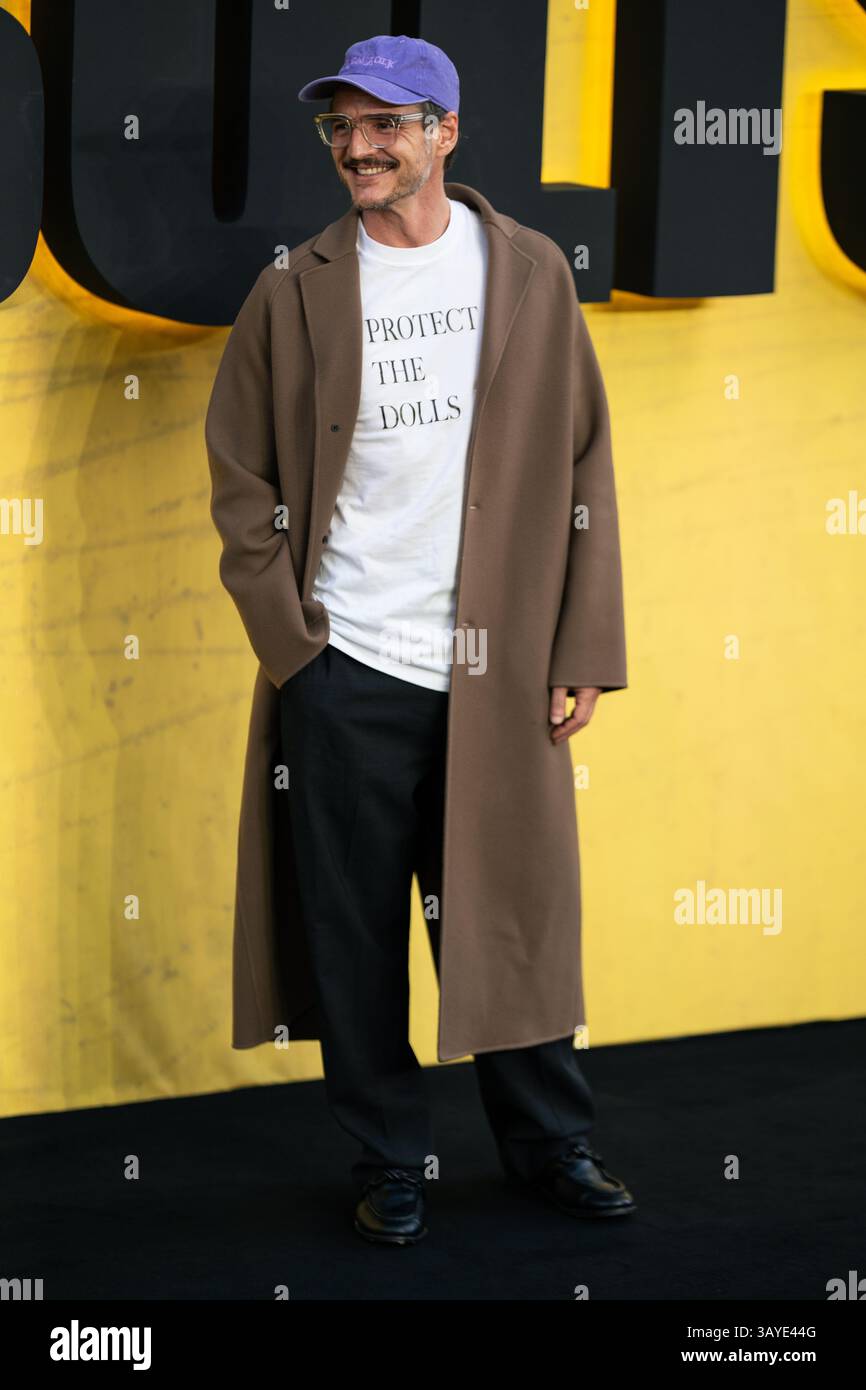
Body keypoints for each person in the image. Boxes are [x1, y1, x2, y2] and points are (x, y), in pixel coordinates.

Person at [206, 34, 635, 1246]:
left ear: (443, 132)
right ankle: (389, 1157)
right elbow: (239, 473)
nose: (358, 147)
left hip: (497, 669)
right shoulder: (293, 285)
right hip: (345, 667)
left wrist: (581, 646)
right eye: (341, 127)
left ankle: (550, 1146)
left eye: (385, 124)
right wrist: (292, 646)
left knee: (513, 914)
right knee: (350, 934)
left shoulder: (529, 270)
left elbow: (585, 464)